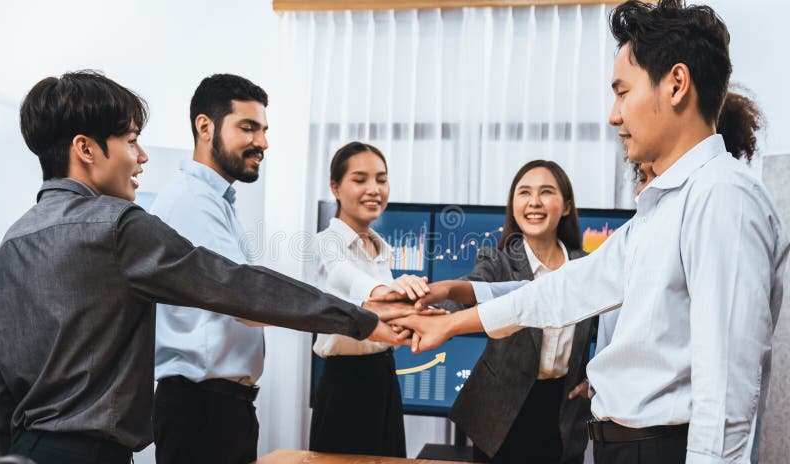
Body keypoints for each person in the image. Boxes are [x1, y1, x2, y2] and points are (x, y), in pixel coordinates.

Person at [389, 2, 789, 463]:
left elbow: (725, 400)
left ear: (676, 84)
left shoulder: (723, 199)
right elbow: (560, 292)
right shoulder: (663, 208)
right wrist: (450, 324)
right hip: (622, 447)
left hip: (662, 450)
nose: (613, 116)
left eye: (622, 92)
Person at [0, 71, 415, 463]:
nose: (142, 157)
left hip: (26, 452)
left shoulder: (12, 241)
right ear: (85, 148)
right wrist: (359, 318)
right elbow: (238, 288)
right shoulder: (119, 226)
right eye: (130, 141)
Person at [150, 74, 271, 464]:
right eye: (248, 127)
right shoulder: (191, 202)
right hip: (202, 412)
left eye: (264, 129)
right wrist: (355, 313)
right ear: (205, 127)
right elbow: (248, 301)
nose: (263, 143)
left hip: (219, 409)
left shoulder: (218, 202)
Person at [445, 160, 591, 464]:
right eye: (524, 193)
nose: (534, 202)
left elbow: (616, 328)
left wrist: (597, 377)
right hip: (499, 416)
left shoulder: (586, 268)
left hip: (561, 414)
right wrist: (433, 307)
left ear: (566, 206)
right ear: (513, 206)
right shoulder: (498, 261)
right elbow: (472, 288)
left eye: (546, 192)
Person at [309, 141, 432, 457]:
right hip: (344, 384)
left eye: (381, 179)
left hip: (383, 378)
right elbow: (341, 276)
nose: (374, 189)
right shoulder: (325, 243)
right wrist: (386, 294)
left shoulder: (380, 248)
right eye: (360, 179)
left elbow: (387, 316)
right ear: (335, 187)